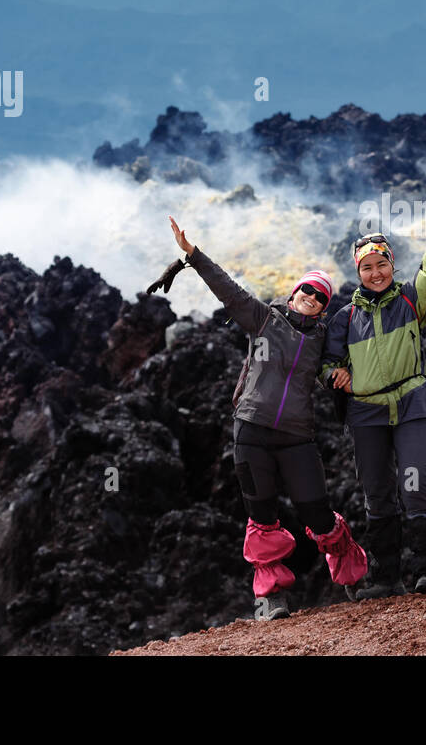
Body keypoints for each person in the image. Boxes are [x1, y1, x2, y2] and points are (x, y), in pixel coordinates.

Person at [156, 216, 367, 620]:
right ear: (293, 294)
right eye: (307, 289)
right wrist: (193, 256)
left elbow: (344, 361)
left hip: (297, 438)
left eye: (321, 296)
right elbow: (228, 291)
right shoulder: (263, 320)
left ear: (324, 307)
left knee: (318, 513)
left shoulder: (322, 339)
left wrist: (342, 375)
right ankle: (271, 598)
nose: (312, 297)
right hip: (251, 432)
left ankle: (352, 575)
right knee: (262, 515)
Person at [323, 166, 426, 598]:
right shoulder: (345, 318)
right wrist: (334, 374)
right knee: (377, 494)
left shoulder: (413, 299)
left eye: (382, 264)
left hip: (413, 405)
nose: (375, 273)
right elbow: (326, 363)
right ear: (357, 272)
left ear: (391, 264)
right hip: (366, 413)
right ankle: (385, 579)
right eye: (367, 267)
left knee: (415, 483)